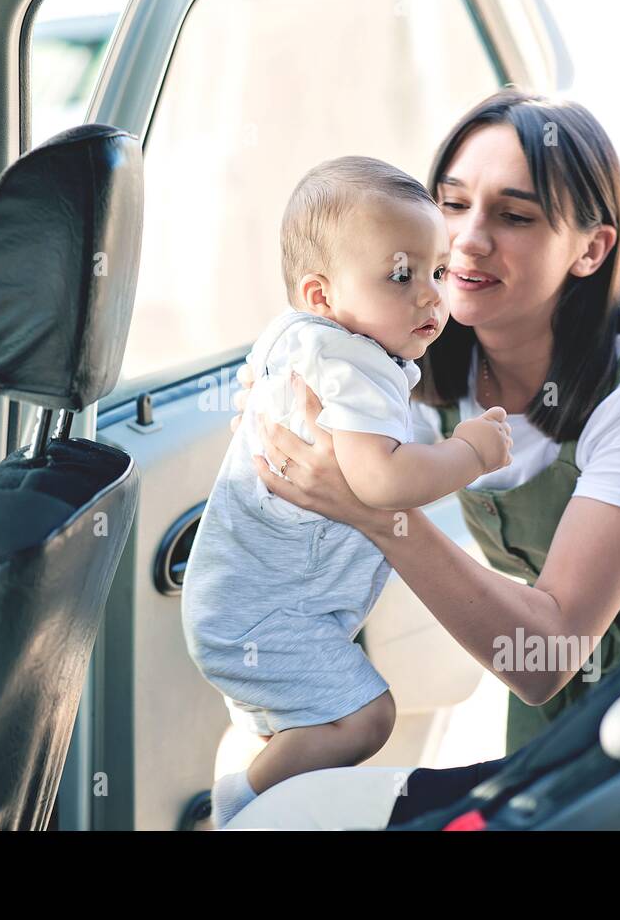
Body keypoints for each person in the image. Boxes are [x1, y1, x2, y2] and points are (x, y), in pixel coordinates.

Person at [224, 90, 620, 829]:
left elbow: (544, 653)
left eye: (513, 216)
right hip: (557, 697)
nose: (466, 241)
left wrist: (370, 505)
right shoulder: (414, 352)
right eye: (451, 204)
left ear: (591, 249)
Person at [181, 156, 513, 827]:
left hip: (246, 603)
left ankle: (267, 801)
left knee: (312, 729)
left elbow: (264, 385)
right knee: (366, 719)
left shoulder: (305, 335)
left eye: (435, 271)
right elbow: (380, 481)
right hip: (271, 615)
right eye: (401, 275)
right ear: (322, 296)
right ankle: (236, 808)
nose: (430, 296)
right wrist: (469, 452)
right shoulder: (349, 360)